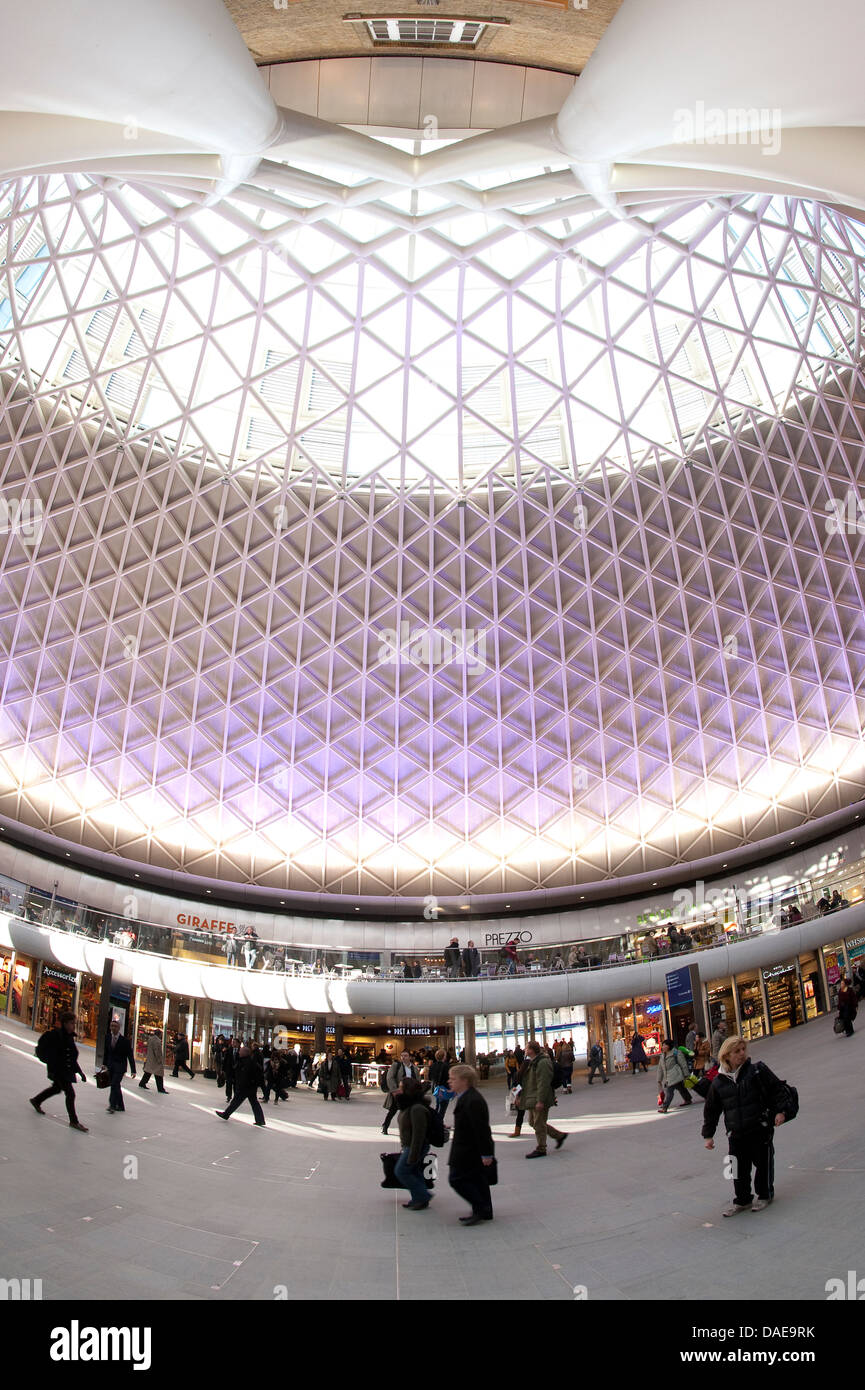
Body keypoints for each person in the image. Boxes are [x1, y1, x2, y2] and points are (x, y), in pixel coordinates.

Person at [702, 1034, 788, 1215]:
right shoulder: (718, 1082)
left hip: (759, 1127)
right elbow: (711, 1110)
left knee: (763, 1164)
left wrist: (781, 1111)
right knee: (736, 1168)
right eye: (737, 1051)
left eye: (743, 1050)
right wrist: (708, 1135)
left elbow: (776, 1089)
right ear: (726, 1055)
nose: (742, 1054)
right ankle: (742, 1200)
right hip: (735, 1133)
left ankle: (764, 1195)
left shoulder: (757, 1071)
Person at [447, 1063, 494, 1224]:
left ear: (465, 1081)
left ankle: (480, 1207)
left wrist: (486, 1153)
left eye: (453, 1079)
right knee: (477, 1179)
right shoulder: (466, 1097)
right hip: (469, 1147)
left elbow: (482, 1129)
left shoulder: (472, 1100)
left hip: (468, 1149)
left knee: (456, 1179)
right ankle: (484, 1209)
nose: (449, 1081)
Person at [29, 1011, 89, 1131]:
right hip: (58, 1070)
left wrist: (80, 1072)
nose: (73, 1026)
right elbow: (53, 1053)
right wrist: (52, 1065)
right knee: (70, 1094)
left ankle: (36, 1100)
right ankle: (74, 1121)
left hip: (65, 1070)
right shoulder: (56, 1035)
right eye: (72, 1023)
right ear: (65, 1023)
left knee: (56, 1088)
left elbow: (71, 1057)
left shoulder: (69, 1037)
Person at [520, 1040, 567, 1158]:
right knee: (533, 1122)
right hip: (533, 1097)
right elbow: (529, 1082)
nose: (525, 1050)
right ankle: (559, 1135)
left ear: (531, 1050)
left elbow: (543, 1082)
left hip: (540, 1097)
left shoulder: (542, 1063)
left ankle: (541, 1148)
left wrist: (540, 1100)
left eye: (526, 1048)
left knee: (539, 1123)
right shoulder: (533, 1062)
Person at [394, 1078, 433, 1211]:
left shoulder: (417, 1109)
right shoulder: (408, 1104)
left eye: (401, 1087)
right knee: (414, 1171)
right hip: (409, 1145)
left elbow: (419, 1134)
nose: (398, 1090)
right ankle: (418, 1199)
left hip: (415, 1146)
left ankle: (423, 1196)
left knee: (401, 1171)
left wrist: (413, 1154)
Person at [215, 1045, 266, 1125]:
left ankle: (226, 1114)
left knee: (236, 1101)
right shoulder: (246, 1061)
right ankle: (260, 1120)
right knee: (253, 1103)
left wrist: (241, 1084)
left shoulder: (246, 1062)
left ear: (245, 1053)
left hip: (245, 1086)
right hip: (249, 1086)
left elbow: (244, 1075)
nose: (239, 1052)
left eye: (241, 1051)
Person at [382, 1050, 420, 1135]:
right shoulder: (396, 1065)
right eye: (402, 1055)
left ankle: (409, 1129)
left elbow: (417, 1079)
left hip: (410, 1093)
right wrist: (394, 1090)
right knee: (393, 1110)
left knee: (409, 1111)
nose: (403, 1057)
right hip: (398, 1092)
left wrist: (418, 1091)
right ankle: (385, 1126)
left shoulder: (414, 1068)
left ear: (410, 1057)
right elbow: (390, 1077)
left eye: (406, 1055)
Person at [103, 1015, 136, 1113]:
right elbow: (106, 1052)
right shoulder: (108, 1037)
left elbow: (130, 1056)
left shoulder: (125, 1041)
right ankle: (121, 1105)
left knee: (114, 1084)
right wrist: (104, 1064)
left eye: (115, 1026)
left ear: (119, 1028)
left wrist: (133, 1070)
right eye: (111, 1026)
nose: (113, 1028)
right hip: (111, 1066)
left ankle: (112, 1105)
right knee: (116, 1085)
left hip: (120, 1067)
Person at [656, 1038, 693, 1112]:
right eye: (662, 1045)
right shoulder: (662, 1056)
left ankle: (665, 1107)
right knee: (681, 1087)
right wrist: (659, 1079)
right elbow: (660, 1068)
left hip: (675, 1074)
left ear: (669, 1046)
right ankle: (688, 1099)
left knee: (669, 1091)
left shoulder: (676, 1053)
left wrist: (686, 1074)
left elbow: (683, 1064)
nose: (662, 1047)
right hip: (668, 1076)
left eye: (664, 1045)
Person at [139, 1029, 168, 1093]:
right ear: (160, 1034)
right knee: (158, 1074)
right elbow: (157, 1051)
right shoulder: (157, 1041)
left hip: (150, 1058)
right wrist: (159, 1060)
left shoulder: (150, 1039)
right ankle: (160, 1088)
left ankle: (142, 1083)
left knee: (148, 1072)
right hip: (155, 1060)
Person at [429, 1048, 453, 1119]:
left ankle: (436, 1121)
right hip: (444, 1088)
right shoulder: (446, 1066)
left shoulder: (432, 1066)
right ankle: (439, 1123)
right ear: (444, 1056)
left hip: (436, 1088)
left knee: (438, 1105)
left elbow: (430, 1077)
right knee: (443, 1107)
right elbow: (449, 1077)